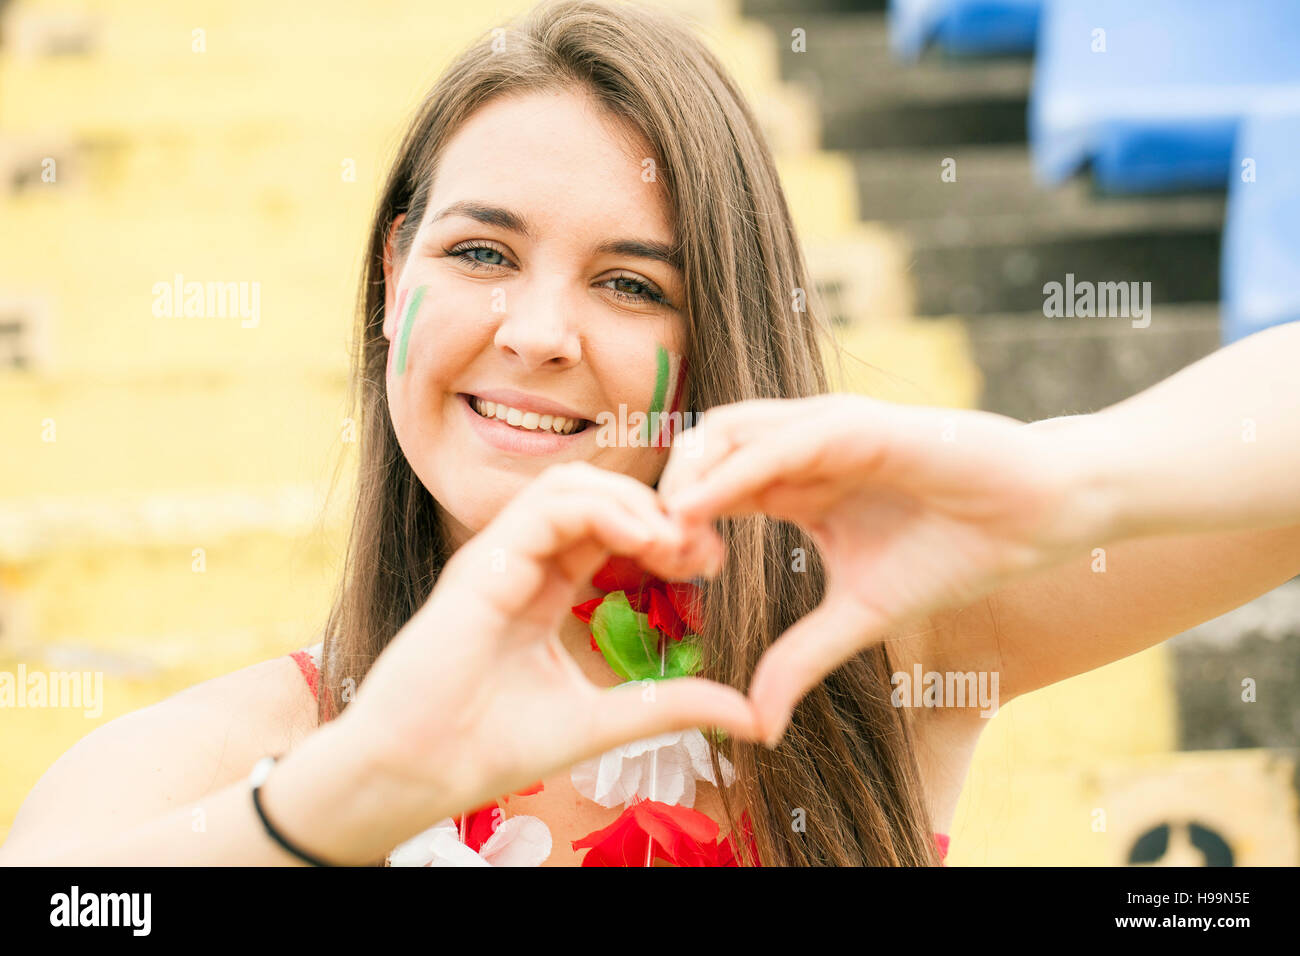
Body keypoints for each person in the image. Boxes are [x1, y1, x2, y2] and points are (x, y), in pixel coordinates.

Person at [3, 0, 1298, 867]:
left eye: (632, 284)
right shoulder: (206, 771)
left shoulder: (864, 659)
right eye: (479, 251)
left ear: (722, 336)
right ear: (397, 273)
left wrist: (1062, 481)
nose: (539, 331)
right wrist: (339, 803)